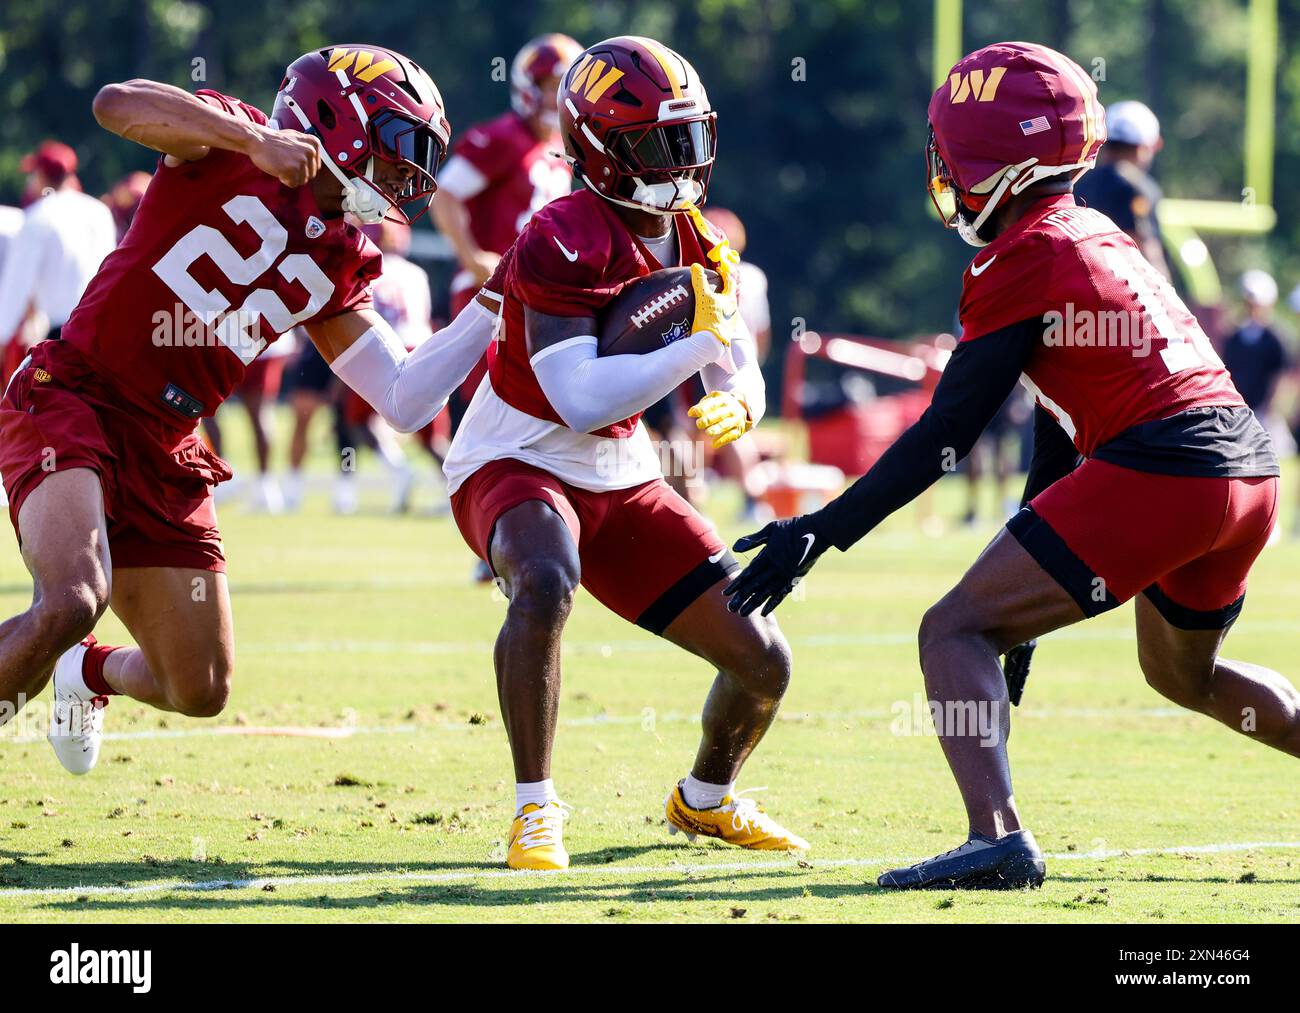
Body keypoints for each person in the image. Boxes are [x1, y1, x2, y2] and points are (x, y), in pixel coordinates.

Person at [724, 42, 1290, 890]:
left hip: (1164, 468)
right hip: (1246, 471)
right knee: (1184, 674)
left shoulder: (1019, 254)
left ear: (992, 164)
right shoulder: (1095, 231)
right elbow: (1058, 434)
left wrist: (819, 531)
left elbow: (945, 432)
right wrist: (1024, 570)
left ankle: (996, 837)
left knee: (949, 629)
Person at [0, 45, 500, 778]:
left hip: (168, 441)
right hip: (79, 394)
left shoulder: (343, 258)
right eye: (397, 150)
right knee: (72, 599)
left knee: (198, 686)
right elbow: (114, 100)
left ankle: (88, 674)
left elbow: (403, 399)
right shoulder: (226, 140)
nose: (407, 176)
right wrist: (254, 140)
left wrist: (493, 303)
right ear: (339, 122)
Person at [442, 36, 806, 871]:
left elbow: (735, 355)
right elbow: (580, 397)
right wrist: (692, 353)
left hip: (619, 471)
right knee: (544, 578)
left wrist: (743, 397)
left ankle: (706, 798)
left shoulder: (696, 236)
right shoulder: (561, 233)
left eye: (691, 136)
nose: (683, 159)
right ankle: (535, 808)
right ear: (601, 149)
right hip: (518, 454)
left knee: (764, 660)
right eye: (658, 141)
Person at [431, 33, 580, 427]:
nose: (557, 100)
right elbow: (443, 197)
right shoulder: (501, 137)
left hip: (535, 296)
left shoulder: (561, 153)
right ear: (528, 87)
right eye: (551, 87)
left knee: (534, 411)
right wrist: (471, 255)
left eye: (565, 90)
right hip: (490, 293)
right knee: (486, 406)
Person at [0, 140, 117, 348]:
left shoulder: (37, 217)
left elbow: (15, 288)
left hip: (63, 335)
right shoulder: (99, 211)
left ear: (42, 176)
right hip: (104, 331)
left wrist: (2, 334)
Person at [1074, 99, 1169, 277]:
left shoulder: (1078, 181)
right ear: (1146, 146)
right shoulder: (1136, 186)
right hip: (1124, 293)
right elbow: (1145, 248)